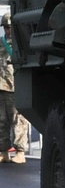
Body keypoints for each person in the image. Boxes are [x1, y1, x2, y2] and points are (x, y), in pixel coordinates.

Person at [1, 12, 27, 164]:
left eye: (10, 27)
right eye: (5, 27)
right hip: (1, 88)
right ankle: (3, 151)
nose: (8, 30)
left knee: (18, 121)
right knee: (1, 122)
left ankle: (20, 152)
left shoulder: (21, 44)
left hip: (16, 88)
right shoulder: (1, 42)